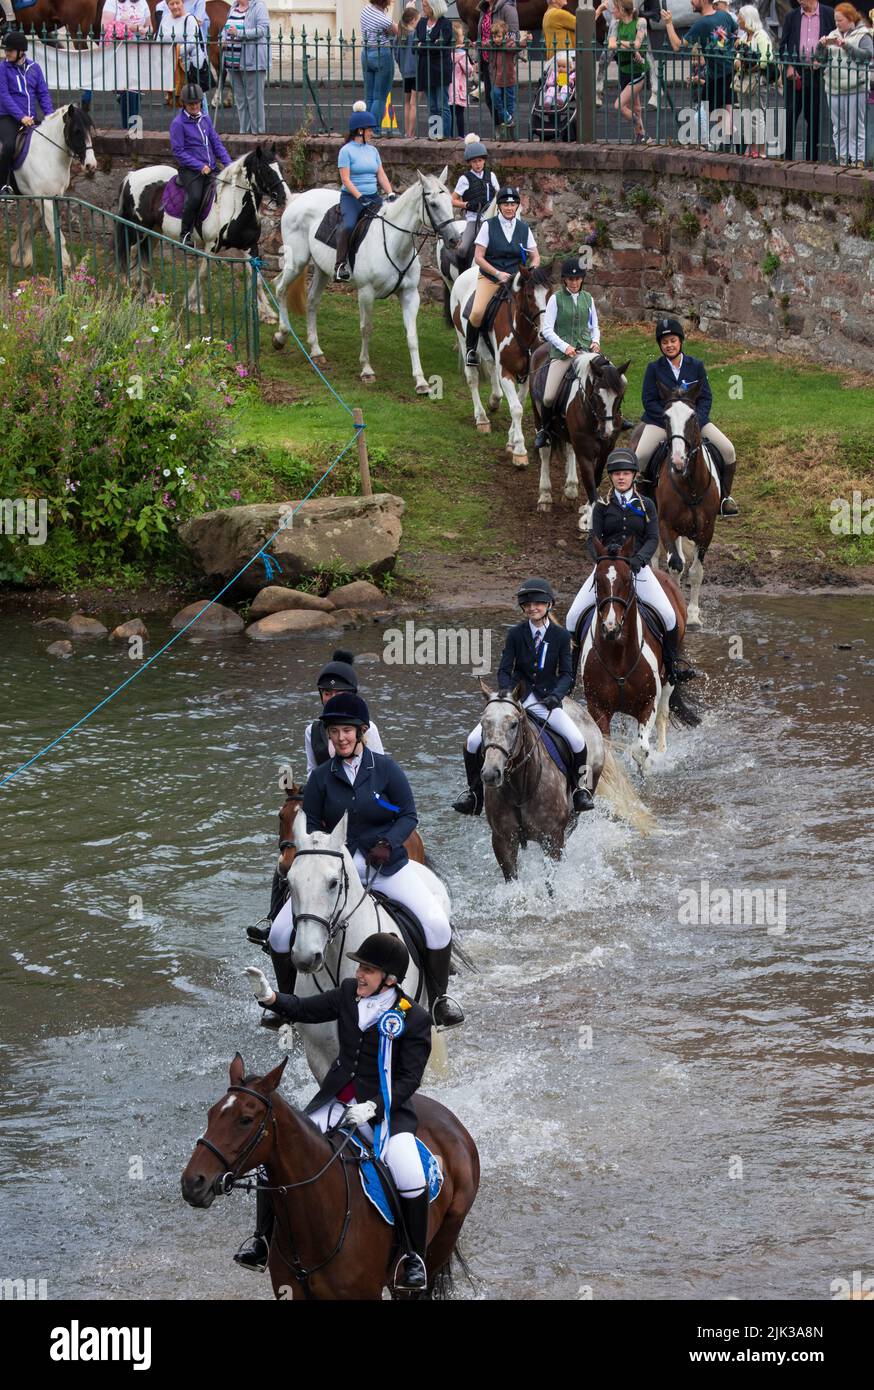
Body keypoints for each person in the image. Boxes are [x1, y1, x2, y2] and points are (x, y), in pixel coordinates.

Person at [239, 933, 434, 1290]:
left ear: (390, 979)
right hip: (336, 1101)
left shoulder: (413, 1018)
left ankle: (413, 1257)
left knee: (409, 1173)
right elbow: (306, 1009)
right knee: (277, 1155)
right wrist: (269, 997)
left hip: (386, 1112)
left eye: (369, 970)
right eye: (360, 966)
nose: (360, 974)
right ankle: (261, 1241)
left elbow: (409, 1079)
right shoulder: (347, 994)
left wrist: (374, 1105)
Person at [300, 691, 464, 1028]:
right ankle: (286, 1006)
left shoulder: (386, 769)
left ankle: (438, 1000)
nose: (340, 737)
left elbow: (409, 814)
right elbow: (313, 827)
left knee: (435, 924)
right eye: (334, 732)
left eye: (347, 730)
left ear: (361, 731)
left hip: (386, 865)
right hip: (338, 867)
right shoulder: (320, 779)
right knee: (282, 931)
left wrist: (389, 842)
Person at [454, 577, 594, 817]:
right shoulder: (516, 634)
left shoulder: (560, 637)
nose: (532, 608)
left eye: (538, 604)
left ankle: (580, 790)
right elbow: (504, 670)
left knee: (577, 741)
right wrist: (507, 696)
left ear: (549, 605)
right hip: (516, 700)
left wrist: (557, 695)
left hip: (546, 702)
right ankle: (473, 793)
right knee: (472, 742)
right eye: (528, 604)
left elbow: (568, 674)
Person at [566, 449, 694, 686]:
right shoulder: (602, 505)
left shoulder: (646, 505)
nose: (621, 478)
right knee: (572, 617)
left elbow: (653, 538)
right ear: (611, 478)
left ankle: (673, 666)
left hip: (638, 568)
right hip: (607, 570)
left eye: (625, 473)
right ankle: (570, 674)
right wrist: (602, 561)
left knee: (668, 616)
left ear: (634, 476)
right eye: (616, 474)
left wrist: (637, 561)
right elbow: (593, 538)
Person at [636, 315, 739, 516]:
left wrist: (695, 420)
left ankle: (725, 498)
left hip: (693, 422)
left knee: (728, 450)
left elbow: (706, 397)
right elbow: (648, 401)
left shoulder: (696, 366)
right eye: (664, 342)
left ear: (680, 341)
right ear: (660, 345)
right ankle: (641, 500)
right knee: (640, 456)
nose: (669, 345)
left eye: (673, 341)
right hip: (661, 423)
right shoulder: (653, 368)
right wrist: (670, 420)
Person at [465, 185, 539, 365]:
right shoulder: (488, 226)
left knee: (534, 307)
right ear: (498, 206)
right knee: (476, 312)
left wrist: (531, 271)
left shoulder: (524, 228)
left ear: (517, 207)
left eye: (512, 204)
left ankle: (534, 347)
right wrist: (497, 273)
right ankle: (471, 350)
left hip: (515, 280)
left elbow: (535, 256)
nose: (509, 207)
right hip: (491, 277)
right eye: (505, 204)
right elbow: (478, 257)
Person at [534, 257, 602, 450]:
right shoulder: (556, 299)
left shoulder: (588, 298)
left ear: (582, 279)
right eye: (570, 280)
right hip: (563, 354)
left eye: (577, 279)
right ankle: (544, 430)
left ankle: (613, 419)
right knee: (548, 397)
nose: (574, 283)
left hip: (586, 352)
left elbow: (594, 326)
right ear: (564, 280)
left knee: (611, 378)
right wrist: (565, 347)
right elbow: (547, 330)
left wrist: (596, 342)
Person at [661, 0, 738, 149]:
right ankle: (728, 147)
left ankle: (703, 145)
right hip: (728, 71)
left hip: (717, 74)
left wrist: (669, 23)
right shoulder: (725, 16)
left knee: (703, 113)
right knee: (723, 112)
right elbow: (735, 33)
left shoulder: (701, 24)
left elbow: (677, 46)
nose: (691, 2)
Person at [335, 100, 394, 280]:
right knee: (349, 225)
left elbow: (381, 174)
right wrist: (359, 197)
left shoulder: (373, 151)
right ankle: (340, 266)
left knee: (390, 221)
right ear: (360, 131)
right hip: (352, 198)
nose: (372, 133)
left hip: (373, 196)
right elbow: (345, 178)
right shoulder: (346, 151)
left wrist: (390, 192)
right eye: (369, 130)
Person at [169, 82, 231, 247]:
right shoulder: (178, 124)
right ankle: (185, 234)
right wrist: (199, 166)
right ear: (184, 104)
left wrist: (229, 164)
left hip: (210, 168)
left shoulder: (205, 119)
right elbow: (179, 152)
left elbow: (216, 144)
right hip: (191, 171)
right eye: (191, 104)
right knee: (195, 197)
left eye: (197, 103)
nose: (195, 106)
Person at [779, 0, 836, 160]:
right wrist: (789, 65)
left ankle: (812, 159)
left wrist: (823, 60)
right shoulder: (792, 16)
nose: (799, 1)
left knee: (814, 118)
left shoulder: (828, 14)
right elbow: (783, 45)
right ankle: (787, 157)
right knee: (790, 116)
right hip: (794, 73)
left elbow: (834, 41)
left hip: (817, 74)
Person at [0, 31, 52, 195]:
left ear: (21, 51)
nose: (6, 53)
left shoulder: (34, 68)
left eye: (10, 50)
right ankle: (4, 186)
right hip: (8, 117)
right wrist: (21, 117)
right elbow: (4, 95)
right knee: (8, 146)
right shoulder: (2, 68)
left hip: (29, 118)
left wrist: (50, 116)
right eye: (5, 50)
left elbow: (43, 93)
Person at [820, 4, 873, 164]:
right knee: (838, 127)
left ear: (850, 19)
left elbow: (867, 56)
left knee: (855, 127)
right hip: (834, 88)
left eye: (840, 20)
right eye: (835, 20)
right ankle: (842, 158)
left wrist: (846, 45)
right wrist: (821, 46)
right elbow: (821, 60)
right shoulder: (832, 34)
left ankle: (858, 159)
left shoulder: (863, 35)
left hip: (856, 88)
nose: (837, 24)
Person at [101, 0, 153, 134]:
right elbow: (105, 26)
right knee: (129, 91)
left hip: (139, 51)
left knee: (134, 93)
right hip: (120, 52)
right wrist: (131, 29)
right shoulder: (112, 2)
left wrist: (145, 30)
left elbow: (150, 27)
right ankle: (132, 130)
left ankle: (131, 130)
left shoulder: (143, 3)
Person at [220, 0, 270, 135]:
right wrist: (223, 39)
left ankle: (257, 134)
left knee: (254, 102)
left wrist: (239, 33)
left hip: (252, 61)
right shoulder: (234, 7)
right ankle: (244, 133)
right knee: (241, 101)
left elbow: (262, 30)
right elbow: (226, 29)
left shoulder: (258, 6)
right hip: (232, 62)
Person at [733, 5, 776, 157]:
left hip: (757, 80)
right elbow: (737, 59)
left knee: (757, 116)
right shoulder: (744, 37)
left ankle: (761, 151)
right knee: (746, 115)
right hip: (743, 80)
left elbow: (766, 58)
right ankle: (752, 149)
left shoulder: (761, 36)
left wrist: (750, 65)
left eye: (740, 18)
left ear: (748, 19)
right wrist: (739, 62)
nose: (738, 21)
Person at [451, 132, 499, 261]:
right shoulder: (464, 179)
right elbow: (452, 200)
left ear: (484, 161)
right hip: (473, 220)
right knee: (462, 249)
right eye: (474, 162)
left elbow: (499, 197)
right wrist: (466, 204)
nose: (477, 164)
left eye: (480, 161)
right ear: (470, 163)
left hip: (491, 220)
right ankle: (461, 274)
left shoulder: (491, 176)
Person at [610, 0, 652, 142]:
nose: (612, 11)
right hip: (623, 70)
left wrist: (620, 43)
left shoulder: (640, 22)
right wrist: (630, 46)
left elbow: (638, 44)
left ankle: (639, 128)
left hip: (638, 69)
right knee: (636, 107)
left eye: (614, 8)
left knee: (619, 105)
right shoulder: (616, 24)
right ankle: (641, 136)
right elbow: (611, 44)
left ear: (622, 9)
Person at [158, 0, 210, 101]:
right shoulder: (165, 19)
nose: (175, 6)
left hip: (191, 67)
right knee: (180, 99)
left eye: (177, 3)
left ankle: (203, 117)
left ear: (182, 3)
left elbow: (192, 42)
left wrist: (174, 52)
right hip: (174, 64)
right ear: (168, 6)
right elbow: (159, 39)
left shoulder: (190, 19)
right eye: (171, 4)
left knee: (197, 98)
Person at [416, 0, 453, 140]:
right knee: (432, 106)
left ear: (434, 6)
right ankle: (435, 134)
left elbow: (440, 47)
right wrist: (431, 44)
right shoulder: (421, 23)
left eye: (425, 5)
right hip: (425, 69)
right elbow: (416, 47)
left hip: (441, 69)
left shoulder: (445, 24)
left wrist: (424, 45)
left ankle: (445, 136)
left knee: (442, 105)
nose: (423, 7)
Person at [361, 0, 398, 131]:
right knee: (380, 96)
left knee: (369, 95)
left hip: (366, 52)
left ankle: (366, 128)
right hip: (381, 54)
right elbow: (399, 31)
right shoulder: (383, 19)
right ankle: (374, 129)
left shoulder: (365, 11)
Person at [394, 5, 420, 138]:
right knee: (414, 103)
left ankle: (406, 132)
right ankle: (411, 133)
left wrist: (401, 65)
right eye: (418, 20)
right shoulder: (414, 35)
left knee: (406, 103)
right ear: (413, 20)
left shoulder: (400, 34)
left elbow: (396, 53)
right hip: (416, 71)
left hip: (405, 71)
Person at [449, 19, 477, 136]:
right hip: (459, 89)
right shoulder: (461, 54)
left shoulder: (448, 52)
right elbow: (468, 70)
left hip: (449, 89)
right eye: (461, 35)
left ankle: (449, 134)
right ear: (457, 38)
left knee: (449, 114)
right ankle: (460, 135)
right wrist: (473, 68)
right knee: (459, 114)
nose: (463, 37)